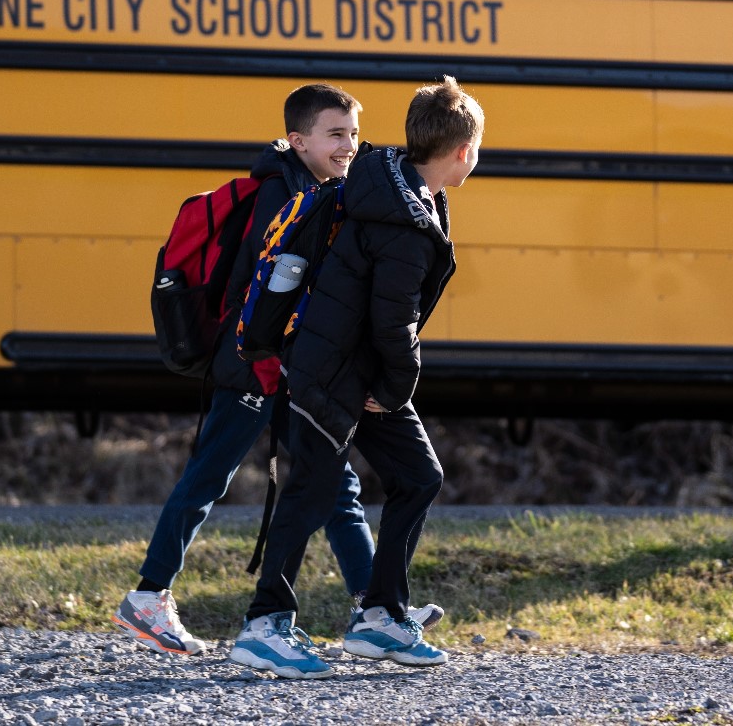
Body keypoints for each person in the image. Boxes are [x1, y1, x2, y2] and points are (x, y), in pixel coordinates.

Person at [113, 83, 441, 656]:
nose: (349, 145)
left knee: (335, 484)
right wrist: (282, 358)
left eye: (354, 133)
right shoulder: (281, 194)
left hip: (292, 369)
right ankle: (148, 596)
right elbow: (264, 293)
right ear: (299, 140)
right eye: (335, 134)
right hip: (256, 367)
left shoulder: (321, 189)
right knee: (209, 477)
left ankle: (373, 606)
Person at [230, 76, 484, 679]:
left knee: (417, 475)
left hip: (358, 368)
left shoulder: (405, 190)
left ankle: (380, 617)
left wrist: (385, 384)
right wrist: (394, 388)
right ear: (462, 152)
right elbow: (394, 320)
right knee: (312, 488)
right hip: (332, 368)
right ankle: (264, 626)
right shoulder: (403, 220)